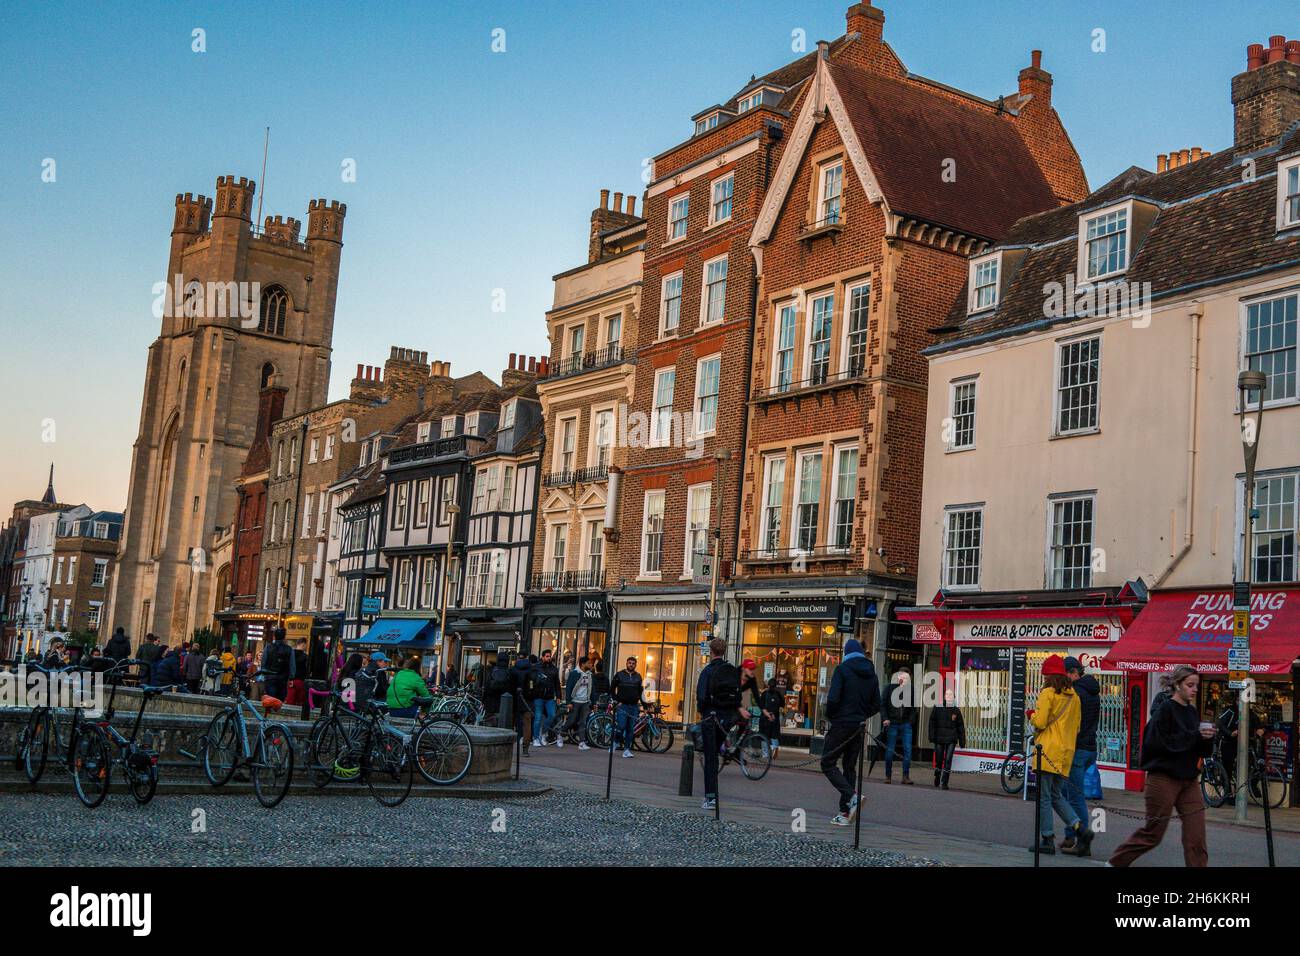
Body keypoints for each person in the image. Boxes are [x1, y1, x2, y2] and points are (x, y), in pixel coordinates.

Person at [1109, 664, 1214, 867]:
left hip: (1189, 780)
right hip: (1163, 778)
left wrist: (1207, 739)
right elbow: (1161, 744)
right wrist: (1194, 736)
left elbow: (1199, 750)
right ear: (1177, 685)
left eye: (1196, 686)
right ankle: (1115, 863)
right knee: (1153, 833)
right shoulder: (1165, 709)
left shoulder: (1192, 712)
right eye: (1190, 685)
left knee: (1196, 834)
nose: (1194, 690)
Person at [1028, 654, 1092, 856]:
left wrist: (1031, 715)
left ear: (1048, 675)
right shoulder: (1074, 697)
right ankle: (1080, 828)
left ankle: (1047, 838)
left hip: (1047, 751)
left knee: (1044, 797)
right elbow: (1078, 726)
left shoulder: (1048, 693)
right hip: (1066, 754)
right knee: (1056, 795)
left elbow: (1040, 722)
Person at [821, 638, 880, 825]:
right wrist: (862, 714)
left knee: (827, 762)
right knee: (849, 767)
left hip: (841, 724)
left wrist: (832, 716)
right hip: (859, 726)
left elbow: (833, 699)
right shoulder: (872, 673)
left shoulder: (842, 669)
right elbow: (876, 704)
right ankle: (844, 813)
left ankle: (852, 797)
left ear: (846, 653)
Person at [695, 639, 744, 810]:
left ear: (711, 651)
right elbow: (737, 696)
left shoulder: (707, 671)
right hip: (726, 719)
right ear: (723, 651)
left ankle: (710, 797)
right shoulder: (730, 670)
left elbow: (701, 697)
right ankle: (711, 796)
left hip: (710, 717)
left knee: (710, 758)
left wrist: (703, 711)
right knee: (715, 753)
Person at [1062, 656, 1100, 853]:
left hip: (1077, 749)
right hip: (1090, 748)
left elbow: (1071, 723)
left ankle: (1083, 842)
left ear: (1072, 672)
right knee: (1067, 794)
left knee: (1075, 797)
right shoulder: (1093, 691)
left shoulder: (1076, 693)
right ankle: (1070, 836)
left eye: (1065, 674)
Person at [881, 669, 916, 784]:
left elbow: (913, 707)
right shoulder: (889, 688)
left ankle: (905, 776)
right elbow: (882, 704)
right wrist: (885, 718)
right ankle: (888, 776)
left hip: (906, 723)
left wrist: (910, 721)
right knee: (890, 750)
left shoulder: (911, 690)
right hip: (892, 723)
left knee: (908, 750)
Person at [928, 687, 965, 790]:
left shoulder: (956, 710)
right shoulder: (938, 707)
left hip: (951, 739)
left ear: (953, 697)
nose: (949, 696)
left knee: (948, 760)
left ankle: (945, 782)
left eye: (951, 695)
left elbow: (960, 726)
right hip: (939, 738)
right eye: (947, 694)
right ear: (944, 696)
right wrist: (931, 736)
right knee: (939, 760)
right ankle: (937, 775)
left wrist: (962, 741)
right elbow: (932, 722)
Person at [611, 655, 644, 759]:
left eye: (633, 663)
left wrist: (645, 705)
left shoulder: (638, 676)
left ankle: (626, 750)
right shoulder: (619, 675)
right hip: (623, 705)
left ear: (635, 665)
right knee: (621, 726)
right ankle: (616, 741)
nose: (631, 665)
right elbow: (612, 689)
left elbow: (640, 692)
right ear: (626, 663)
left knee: (630, 729)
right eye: (630, 663)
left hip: (634, 706)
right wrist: (616, 700)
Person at [529, 649, 561, 748]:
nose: (548, 657)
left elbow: (557, 683)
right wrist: (532, 692)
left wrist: (559, 696)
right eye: (547, 656)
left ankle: (543, 733)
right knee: (538, 718)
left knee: (552, 715)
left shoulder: (554, 669)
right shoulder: (536, 667)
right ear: (542, 657)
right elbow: (531, 681)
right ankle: (536, 738)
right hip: (538, 696)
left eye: (549, 656)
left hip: (550, 697)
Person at [562, 655, 593, 750]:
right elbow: (568, 688)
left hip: (585, 702)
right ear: (583, 664)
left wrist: (594, 702)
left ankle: (582, 742)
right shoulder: (574, 673)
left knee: (582, 722)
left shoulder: (589, 674)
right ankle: (560, 734)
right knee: (571, 720)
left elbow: (592, 688)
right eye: (588, 663)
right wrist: (569, 702)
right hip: (575, 701)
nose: (590, 665)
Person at [510, 653, 536, 754]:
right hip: (527, 701)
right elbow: (534, 686)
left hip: (514, 700)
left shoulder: (513, 670)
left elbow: (510, 685)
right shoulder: (530, 671)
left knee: (511, 724)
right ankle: (525, 749)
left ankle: (508, 746)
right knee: (527, 725)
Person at [261, 627, 294, 701]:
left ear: (274, 636)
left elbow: (263, 662)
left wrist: (264, 675)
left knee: (270, 700)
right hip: (283, 679)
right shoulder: (289, 649)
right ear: (284, 637)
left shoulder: (268, 647)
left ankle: (269, 712)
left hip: (270, 678)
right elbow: (292, 665)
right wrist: (291, 678)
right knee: (280, 701)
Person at [758, 672, 786, 756]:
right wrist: (774, 714)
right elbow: (782, 705)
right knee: (774, 735)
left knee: (765, 735)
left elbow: (761, 705)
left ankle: (765, 753)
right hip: (775, 717)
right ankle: (774, 748)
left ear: (768, 685)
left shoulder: (764, 694)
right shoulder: (778, 694)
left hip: (765, 717)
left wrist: (767, 714)